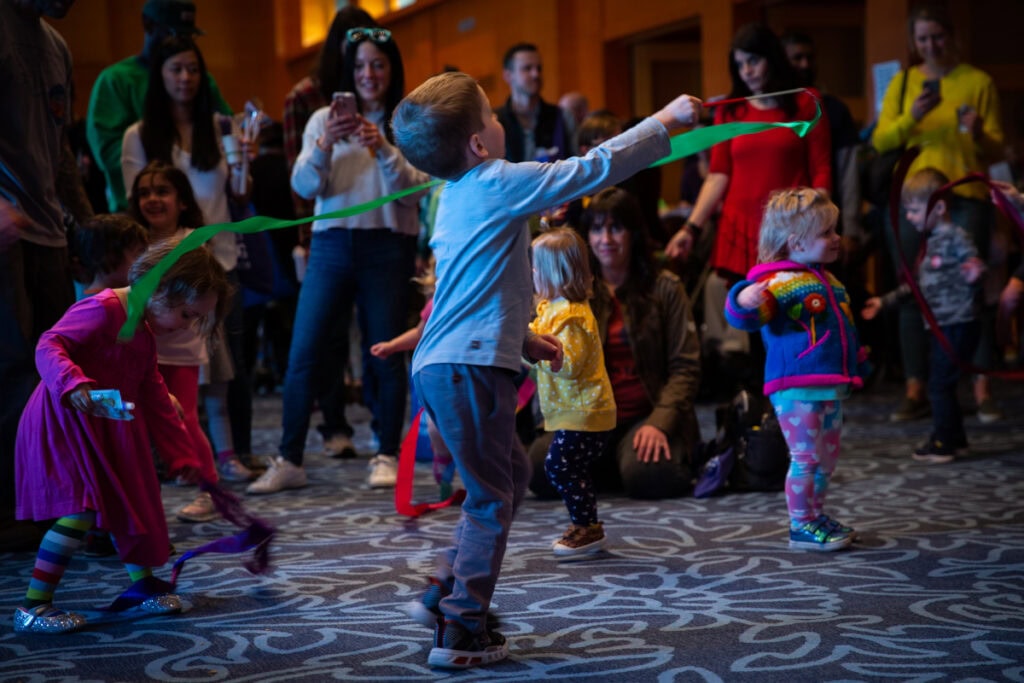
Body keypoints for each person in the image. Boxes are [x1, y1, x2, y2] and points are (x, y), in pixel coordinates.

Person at [390, 70, 701, 668]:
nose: (499, 122)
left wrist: (525, 340)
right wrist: (664, 122)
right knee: (491, 497)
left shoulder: (454, 194)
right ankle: (460, 629)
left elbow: (474, 290)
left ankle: (443, 593)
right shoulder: (497, 178)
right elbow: (593, 167)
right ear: (478, 143)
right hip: (468, 367)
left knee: (505, 475)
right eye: (492, 116)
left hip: (443, 363)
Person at [13, 241, 230, 633]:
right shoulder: (102, 309)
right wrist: (73, 383)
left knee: (126, 504)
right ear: (159, 288)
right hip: (65, 421)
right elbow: (50, 343)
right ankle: (33, 605)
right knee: (81, 510)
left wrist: (182, 456)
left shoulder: (142, 331)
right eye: (186, 314)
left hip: (105, 425)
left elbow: (152, 390)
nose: (187, 325)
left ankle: (141, 585)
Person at [248, 26, 430, 495]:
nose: (369, 74)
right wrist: (325, 143)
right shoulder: (321, 120)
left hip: (388, 244)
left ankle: (386, 453)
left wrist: (382, 147)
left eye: (378, 65)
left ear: (392, 70)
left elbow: (415, 190)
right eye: (360, 66)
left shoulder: (408, 121)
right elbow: (305, 187)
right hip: (330, 244)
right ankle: (289, 458)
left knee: (384, 352)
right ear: (349, 72)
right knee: (304, 351)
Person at [664, 23, 831, 397]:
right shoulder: (731, 110)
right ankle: (765, 405)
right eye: (740, 65)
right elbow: (718, 175)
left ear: (772, 57)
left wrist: (822, 226)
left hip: (793, 229)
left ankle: (797, 398)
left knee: (795, 315)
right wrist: (691, 228)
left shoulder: (805, 102)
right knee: (756, 317)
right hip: (742, 227)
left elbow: (821, 170)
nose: (747, 71)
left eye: (753, 61)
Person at [121, 35, 255, 482]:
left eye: (193, 69)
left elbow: (239, 195)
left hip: (216, 260)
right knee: (166, 383)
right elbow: (135, 196)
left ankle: (229, 455)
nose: (185, 77)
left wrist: (244, 164)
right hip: (162, 270)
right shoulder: (139, 134)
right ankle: (175, 461)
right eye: (176, 69)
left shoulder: (221, 126)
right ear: (159, 76)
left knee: (221, 372)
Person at [871, 2, 1004, 423]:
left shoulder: (977, 81)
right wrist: (911, 117)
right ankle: (916, 388)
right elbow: (880, 141)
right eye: (923, 38)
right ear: (914, 41)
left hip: (964, 194)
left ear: (951, 36)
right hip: (913, 198)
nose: (931, 45)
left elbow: (998, 148)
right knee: (913, 288)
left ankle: (982, 389)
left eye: (938, 36)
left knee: (970, 287)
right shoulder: (903, 83)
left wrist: (979, 133)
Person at [529, 187, 702, 501]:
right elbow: (544, 355)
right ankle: (608, 468)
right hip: (586, 419)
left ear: (633, 234)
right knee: (538, 467)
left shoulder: (666, 287)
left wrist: (660, 423)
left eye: (616, 228)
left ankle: (616, 467)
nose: (605, 239)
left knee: (648, 474)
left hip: (644, 416)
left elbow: (685, 368)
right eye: (596, 229)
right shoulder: (569, 292)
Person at [724, 188, 867, 551]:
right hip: (795, 387)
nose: (836, 238)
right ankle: (801, 524)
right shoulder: (778, 284)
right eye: (826, 233)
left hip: (830, 385)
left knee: (826, 459)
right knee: (806, 458)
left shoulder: (830, 281)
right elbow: (745, 317)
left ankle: (815, 515)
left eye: (835, 230)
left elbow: (843, 330)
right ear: (796, 243)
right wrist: (743, 298)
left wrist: (858, 360)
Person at [281, 5, 379, 460]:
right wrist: (305, 239)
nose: (365, 66)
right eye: (353, 46)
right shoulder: (307, 100)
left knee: (376, 336)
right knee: (325, 337)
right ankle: (332, 425)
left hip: (378, 233)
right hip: (324, 233)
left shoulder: (384, 100)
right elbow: (299, 179)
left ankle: (381, 434)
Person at [129, 161, 254, 507]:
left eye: (162, 191)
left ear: (182, 201)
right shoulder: (134, 241)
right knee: (141, 419)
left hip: (182, 348)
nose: (153, 199)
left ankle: (209, 490)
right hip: (145, 345)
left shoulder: (192, 240)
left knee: (184, 415)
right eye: (144, 193)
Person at [0, 0, 78, 551]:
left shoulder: (58, 46)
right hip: (5, 231)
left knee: (58, 374)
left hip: (49, 231)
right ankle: (10, 512)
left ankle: (50, 501)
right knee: (10, 373)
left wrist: (86, 223)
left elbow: (61, 148)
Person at [861, 168, 985, 463]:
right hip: (942, 326)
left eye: (915, 210)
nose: (909, 217)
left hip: (957, 323)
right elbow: (916, 286)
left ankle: (944, 442)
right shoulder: (929, 243)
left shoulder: (954, 236)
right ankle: (955, 438)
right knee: (942, 384)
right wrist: (884, 301)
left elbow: (975, 265)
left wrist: (975, 273)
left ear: (939, 208)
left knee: (939, 385)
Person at [87, 0, 231, 213]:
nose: (181, 42)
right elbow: (108, 152)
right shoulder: (117, 80)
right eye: (173, 33)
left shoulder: (202, 80)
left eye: (188, 36)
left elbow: (225, 132)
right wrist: (172, 162)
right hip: (143, 209)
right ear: (148, 25)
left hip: (209, 209)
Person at [529, 228, 616, 557]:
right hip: (574, 410)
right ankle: (584, 524)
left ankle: (588, 528)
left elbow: (570, 364)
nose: (532, 273)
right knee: (565, 466)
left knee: (561, 465)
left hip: (585, 410)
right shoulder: (552, 309)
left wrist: (543, 353)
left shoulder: (572, 316)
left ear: (555, 273)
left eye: (537, 267)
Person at [369, 262, 455, 499]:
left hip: (469, 375)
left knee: (476, 432)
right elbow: (419, 333)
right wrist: (392, 346)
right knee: (436, 427)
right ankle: (443, 458)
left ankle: (480, 485)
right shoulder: (434, 305)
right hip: (441, 377)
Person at [780, 31, 864, 248]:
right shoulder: (776, 111)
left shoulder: (834, 109)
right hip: (785, 218)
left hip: (828, 218)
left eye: (809, 57)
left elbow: (849, 171)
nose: (805, 64)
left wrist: (851, 228)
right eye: (797, 58)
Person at [495, 43, 576, 163]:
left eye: (539, 68)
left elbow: (577, 163)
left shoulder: (563, 116)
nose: (536, 74)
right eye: (527, 68)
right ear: (508, 76)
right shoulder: (494, 121)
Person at [73, 214, 149, 299]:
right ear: (109, 258)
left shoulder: (123, 293)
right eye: (139, 255)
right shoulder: (99, 304)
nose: (146, 262)